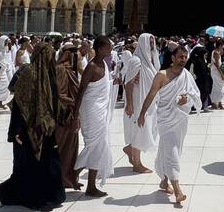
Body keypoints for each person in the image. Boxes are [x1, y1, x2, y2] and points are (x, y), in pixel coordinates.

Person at [0, 41, 67, 211]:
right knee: (29, 164)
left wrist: (65, 117)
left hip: (45, 127)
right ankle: (32, 197)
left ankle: (51, 195)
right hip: (28, 129)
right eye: (48, 55)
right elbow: (19, 102)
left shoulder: (49, 74)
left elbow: (54, 100)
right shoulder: (28, 73)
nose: (50, 58)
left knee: (49, 162)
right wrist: (16, 130)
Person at [137, 43, 200, 206]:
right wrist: (142, 113)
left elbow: (194, 94)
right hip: (165, 119)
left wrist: (187, 99)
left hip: (180, 119)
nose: (183, 60)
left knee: (172, 149)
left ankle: (164, 181)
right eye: (180, 57)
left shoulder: (186, 75)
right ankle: (178, 190)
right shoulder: (162, 75)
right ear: (173, 58)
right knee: (171, 151)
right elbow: (150, 95)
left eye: (185, 57)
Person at [74, 36, 115, 197]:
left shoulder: (104, 64)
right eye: (107, 48)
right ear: (99, 49)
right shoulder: (91, 67)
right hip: (90, 111)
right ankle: (76, 175)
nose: (110, 50)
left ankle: (81, 179)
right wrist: (75, 115)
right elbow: (81, 91)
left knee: (99, 146)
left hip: (101, 110)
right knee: (94, 145)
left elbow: (104, 86)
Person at [121, 33, 158, 173]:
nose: (152, 46)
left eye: (153, 43)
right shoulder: (136, 60)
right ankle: (137, 164)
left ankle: (130, 149)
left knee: (146, 129)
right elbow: (128, 84)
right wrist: (129, 104)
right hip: (137, 102)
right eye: (150, 43)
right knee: (139, 130)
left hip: (148, 102)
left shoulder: (150, 61)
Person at [55, 43, 83, 189]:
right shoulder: (60, 70)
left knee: (71, 148)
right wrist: (74, 102)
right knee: (61, 146)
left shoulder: (71, 71)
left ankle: (68, 177)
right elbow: (59, 94)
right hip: (63, 115)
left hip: (72, 114)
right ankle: (57, 178)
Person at [209, 44, 224, 109]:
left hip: (215, 71)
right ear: (220, 46)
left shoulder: (215, 52)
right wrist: (221, 74)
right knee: (219, 87)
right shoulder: (216, 53)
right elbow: (217, 65)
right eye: (222, 46)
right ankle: (215, 103)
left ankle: (219, 103)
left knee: (218, 87)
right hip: (216, 72)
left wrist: (221, 52)